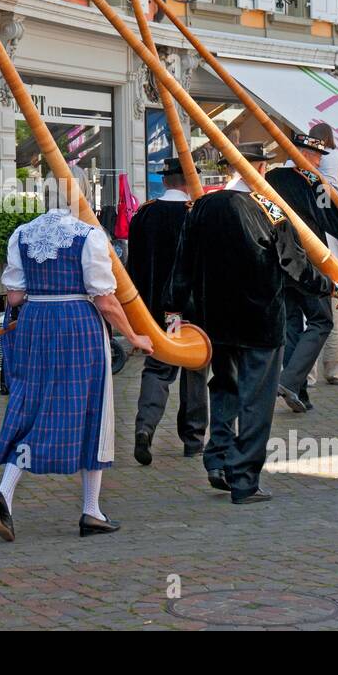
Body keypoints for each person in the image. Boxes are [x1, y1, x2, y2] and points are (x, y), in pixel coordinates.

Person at [165, 143, 338, 504]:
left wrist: (173, 309)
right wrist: (334, 287)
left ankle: (217, 459)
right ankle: (244, 478)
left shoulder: (202, 206)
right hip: (260, 319)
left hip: (215, 318)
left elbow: (183, 262)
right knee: (256, 398)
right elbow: (295, 267)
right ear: (261, 170)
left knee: (223, 387)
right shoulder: (270, 210)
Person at [0, 165, 153, 542]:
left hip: (35, 325)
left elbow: (14, 296)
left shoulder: (21, 234)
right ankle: (91, 511)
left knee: (31, 406)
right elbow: (106, 301)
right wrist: (134, 337)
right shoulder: (89, 236)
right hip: (78, 326)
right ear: (78, 195)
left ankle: (5, 492)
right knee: (92, 409)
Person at [265, 132, 338, 412]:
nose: (319, 162)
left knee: (290, 324)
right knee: (322, 320)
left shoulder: (271, 178)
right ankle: (289, 381)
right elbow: (329, 217)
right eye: (316, 156)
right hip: (309, 260)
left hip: (278, 259)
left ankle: (299, 392)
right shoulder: (314, 181)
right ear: (305, 154)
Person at [126, 158, 207, 465]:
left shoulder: (144, 213)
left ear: (165, 182)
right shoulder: (197, 213)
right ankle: (193, 438)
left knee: (158, 368)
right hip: (192, 309)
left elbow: (134, 267)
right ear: (189, 182)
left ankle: (145, 427)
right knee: (195, 369)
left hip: (157, 311)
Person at [307, 122, 338, 386]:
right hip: (331, 257)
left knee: (307, 317)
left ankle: (307, 374)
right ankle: (334, 369)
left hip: (308, 256)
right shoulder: (330, 190)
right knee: (334, 313)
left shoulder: (301, 182)